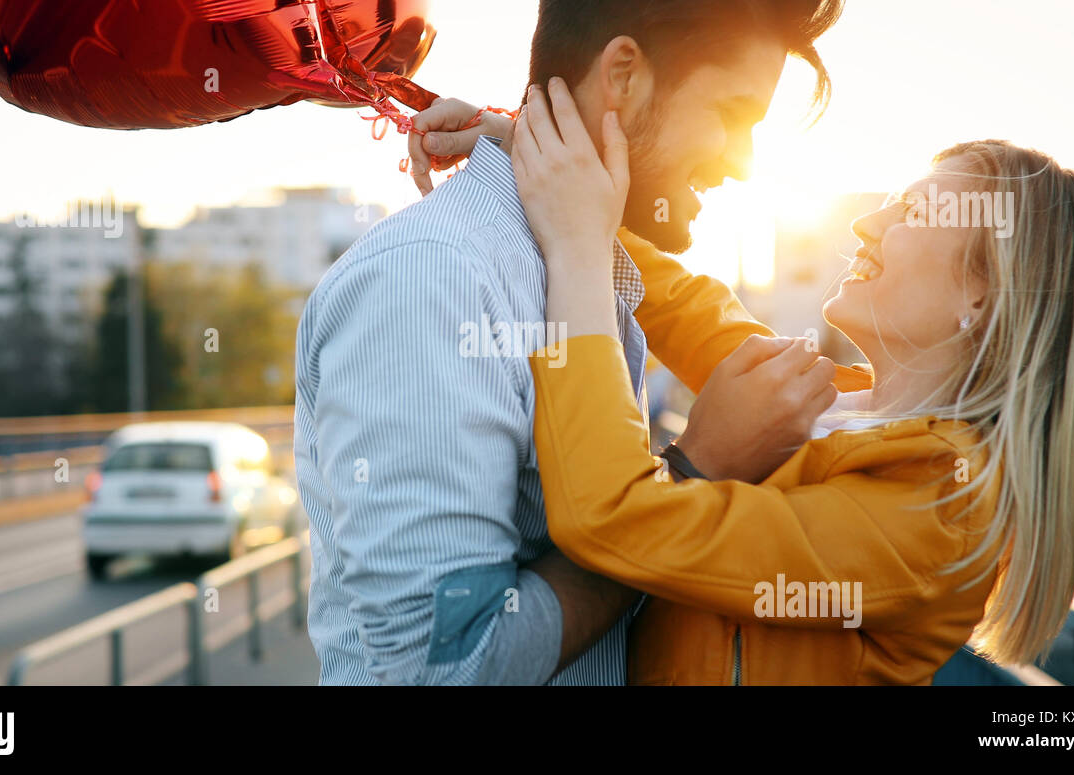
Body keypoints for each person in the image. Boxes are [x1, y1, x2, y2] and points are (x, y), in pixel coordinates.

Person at [497, 80, 1074, 684]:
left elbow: (610, 518)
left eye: (910, 211)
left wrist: (577, 243)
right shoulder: (834, 399)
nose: (865, 225)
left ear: (987, 293)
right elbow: (683, 305)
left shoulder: (942, 510)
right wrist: (522, 153)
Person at [294, 0, 844, 685]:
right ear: (622, 75)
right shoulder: (434, 279)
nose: (744, 166)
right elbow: (444, 668)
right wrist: (692, 476)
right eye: (733, 115)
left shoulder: (587, 265)